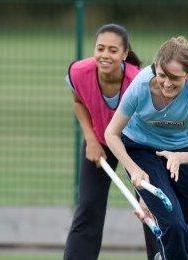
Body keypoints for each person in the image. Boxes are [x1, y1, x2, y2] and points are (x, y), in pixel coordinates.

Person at [104, 36, 188, 260]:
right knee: (173, 227)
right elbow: (111, 134)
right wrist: (134, 169)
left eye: (174, 78)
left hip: (183, 152)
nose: (166, 83)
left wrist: (178, 157)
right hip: (142, 150)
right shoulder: (141, 85)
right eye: (162, 75)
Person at [63, 23, 157, 260]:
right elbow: (78, 102)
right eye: (100, 48)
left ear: (125, 54)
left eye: (113, 50)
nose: (105, 55)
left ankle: (162, 255)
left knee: (150, 208)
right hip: (99, 142)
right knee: (88, 208)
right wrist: (91, 139)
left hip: (136, 144)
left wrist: (139, 170)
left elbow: (149, 127)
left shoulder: (138, 82)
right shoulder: (79, 72)